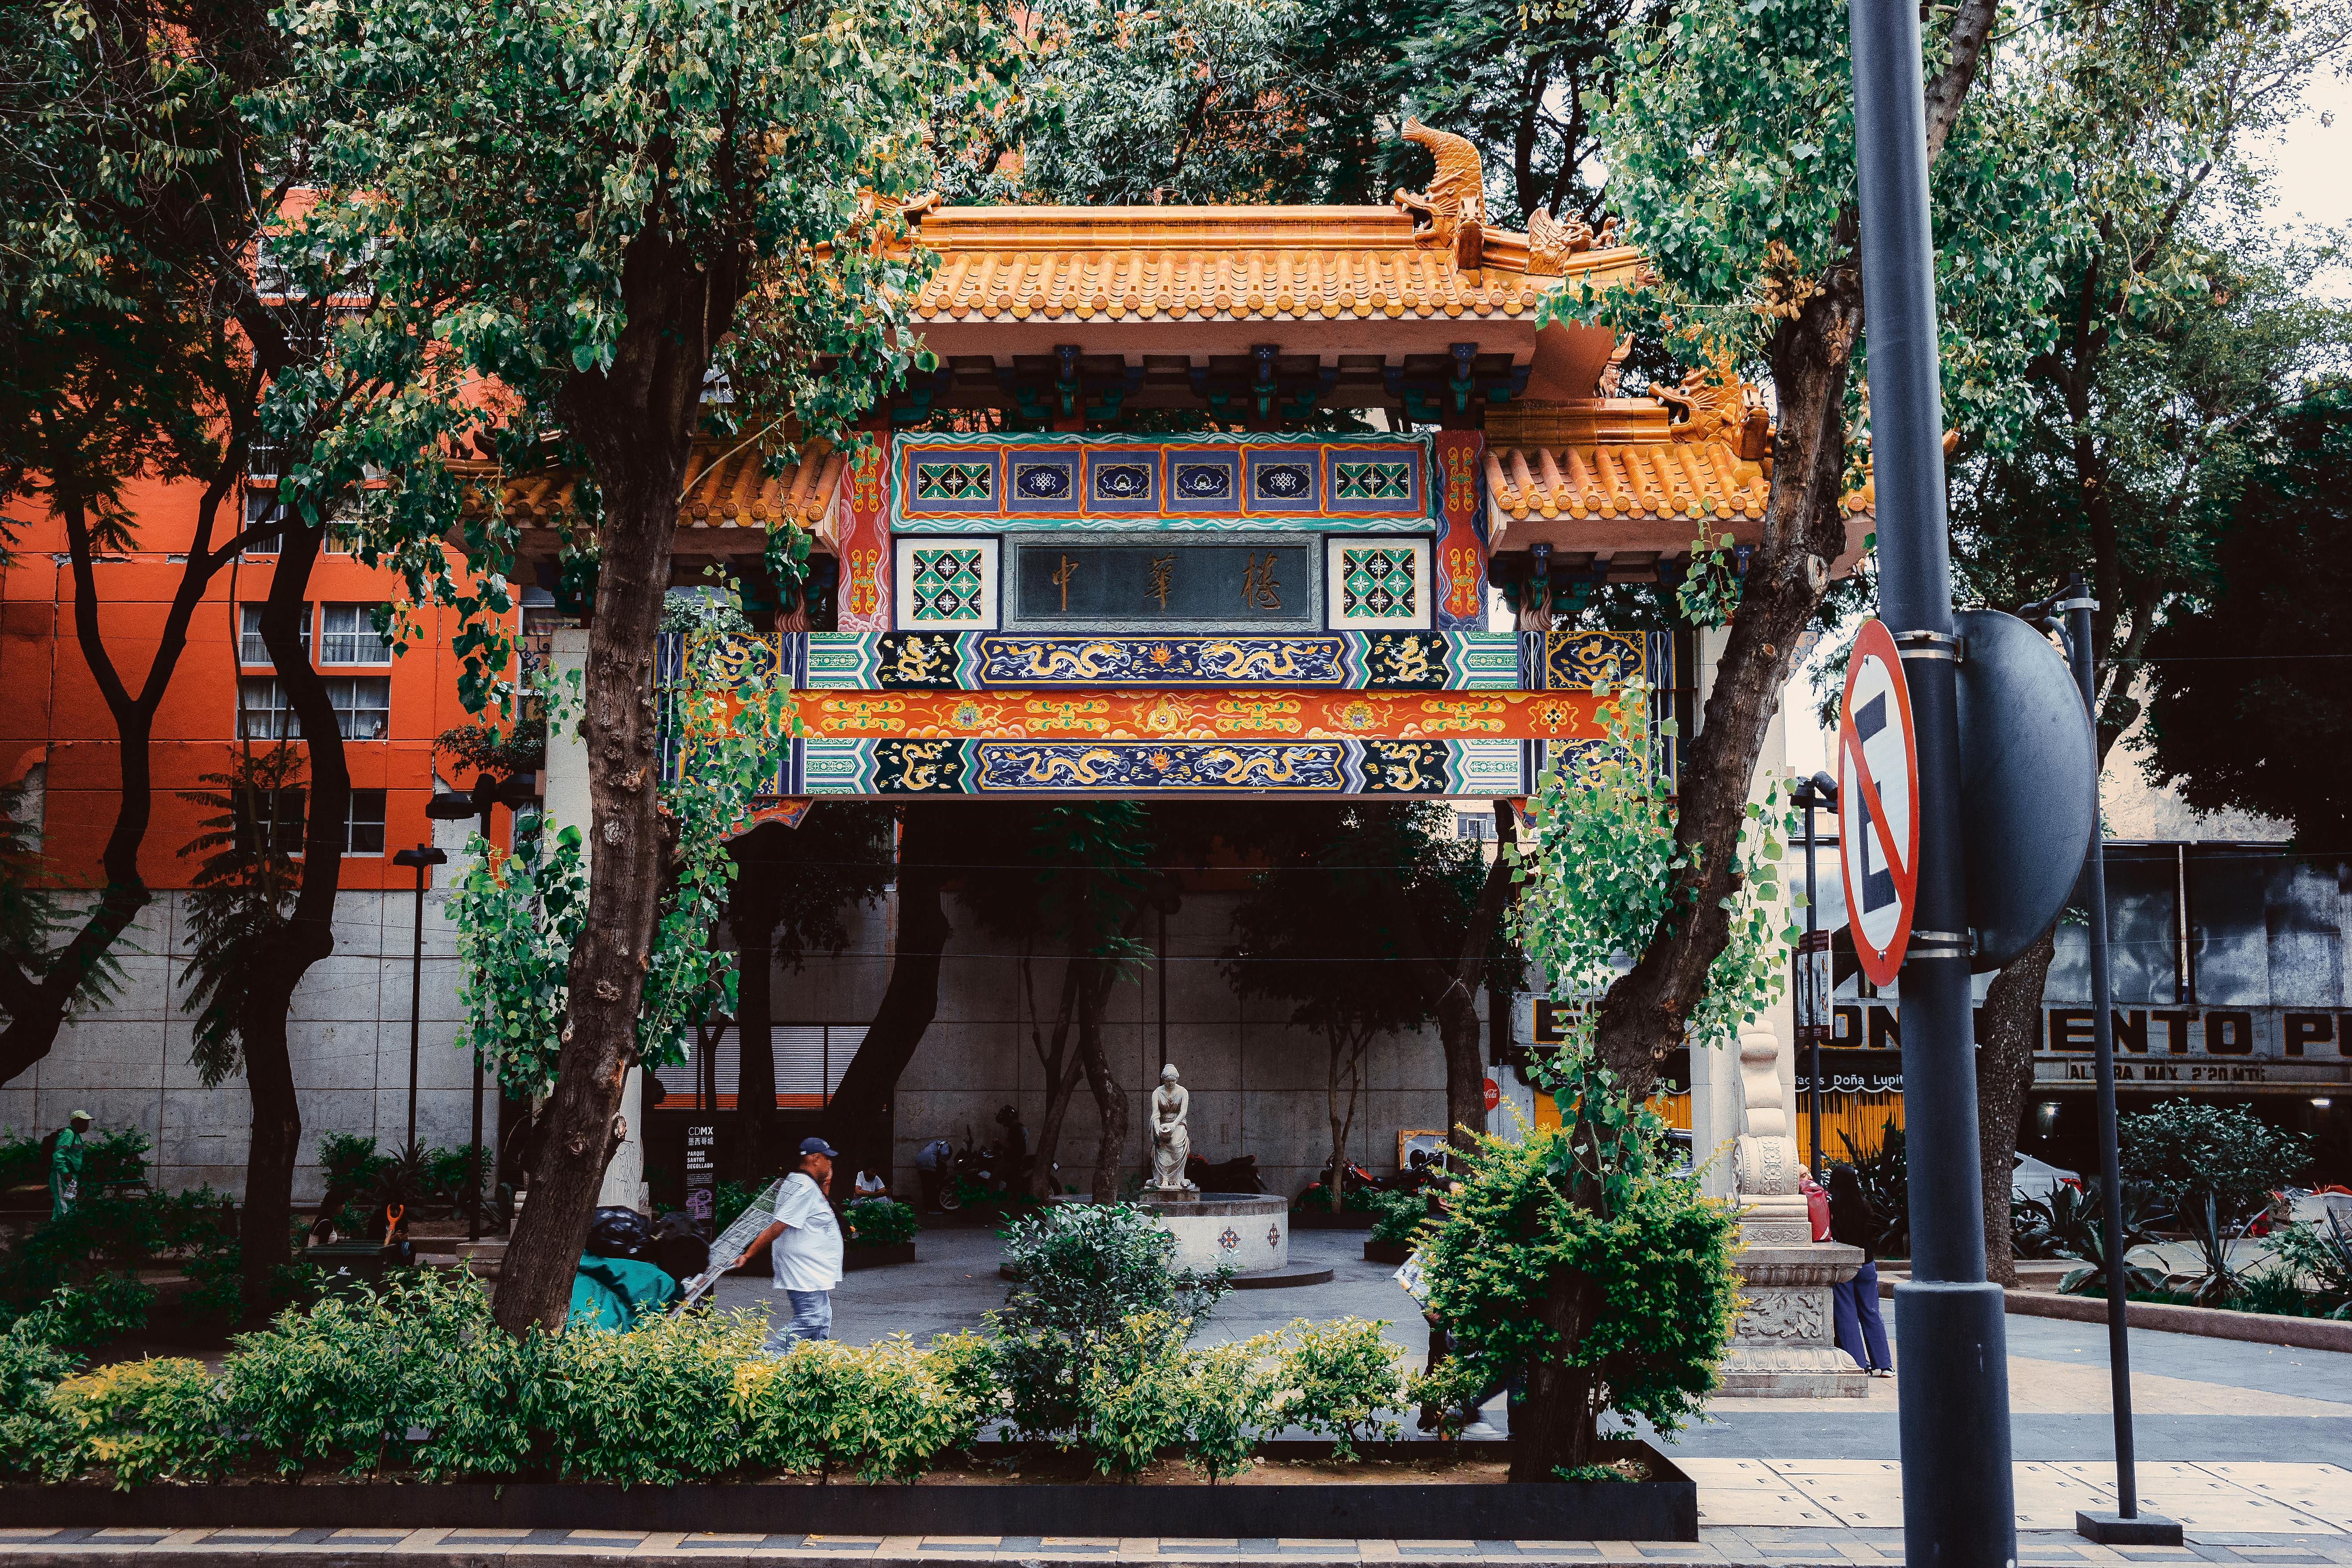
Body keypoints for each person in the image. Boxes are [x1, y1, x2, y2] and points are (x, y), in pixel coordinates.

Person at [734, 1137, 844, 1352]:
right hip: (804, 1267)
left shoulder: (802, 1183)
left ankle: (812, 1362)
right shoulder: (803, 1187)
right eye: (827, 1159)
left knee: (821, 1318)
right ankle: (763, 1358)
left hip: (812, 1267)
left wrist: (825, 1184)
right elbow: (777, 1226)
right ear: (815, 1159)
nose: (831, 1164)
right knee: (812, 1319)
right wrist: (749, 1255)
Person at [1827, 1164, 1893, 1377]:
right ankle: (1884, 1364)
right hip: (1868, 1263)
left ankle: (1858, 1363)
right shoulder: (1865, 1205)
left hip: (1845, 1263)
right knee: (1872, 1312)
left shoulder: (1833, 1207)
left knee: (1847, 1312)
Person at [49, 1110, 91, 1220]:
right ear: (76, 1122)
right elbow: (59, 1154)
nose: (87, 1126)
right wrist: (65, 1171)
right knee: (65, 1204)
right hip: (64, 1175)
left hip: (71, 1176)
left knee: (69, 1201)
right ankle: (65, 1228)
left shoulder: (76, 1136)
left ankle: (58, 1228)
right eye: (85, 1122)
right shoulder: (69, 1134)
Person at [912, 1136, 952, 1212]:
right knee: (931, 1186)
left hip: (919, 1162)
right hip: (929, 1162)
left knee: (925, 1187)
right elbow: (945, 1154)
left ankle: (927, 1208)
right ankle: (932, 1209)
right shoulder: (946, 1145)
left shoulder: (934, 1144)